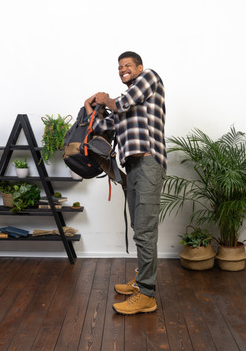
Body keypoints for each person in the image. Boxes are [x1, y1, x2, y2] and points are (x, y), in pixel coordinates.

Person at [84, 51, 167, 315]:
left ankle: (147, 295)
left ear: (139, 67)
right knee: (139, 227)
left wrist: (106, 99)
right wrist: (90, 108)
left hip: (149, 163)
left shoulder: (149, 78)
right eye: (119, 67)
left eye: (127, 65)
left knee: (145, 230)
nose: (123, 69)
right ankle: (141, 280)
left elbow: (122, 101)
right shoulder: (125, 106)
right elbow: (101, 126)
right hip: (132, 167)